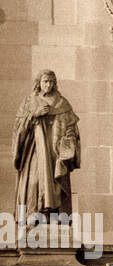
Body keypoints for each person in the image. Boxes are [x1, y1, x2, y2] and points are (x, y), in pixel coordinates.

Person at [12, 69, 79, 220]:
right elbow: (18, 128)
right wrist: (34, 114)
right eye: (45, 82)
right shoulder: (29, 102)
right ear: (39, 83)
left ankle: (54, 218)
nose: (48, 85)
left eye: (51, 82)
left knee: (56, 186)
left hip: (55, 151)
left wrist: (69, 143)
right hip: (35, 151)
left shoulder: (62, 103)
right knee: (34, 183)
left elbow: (71, 127)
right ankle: (34, 216)